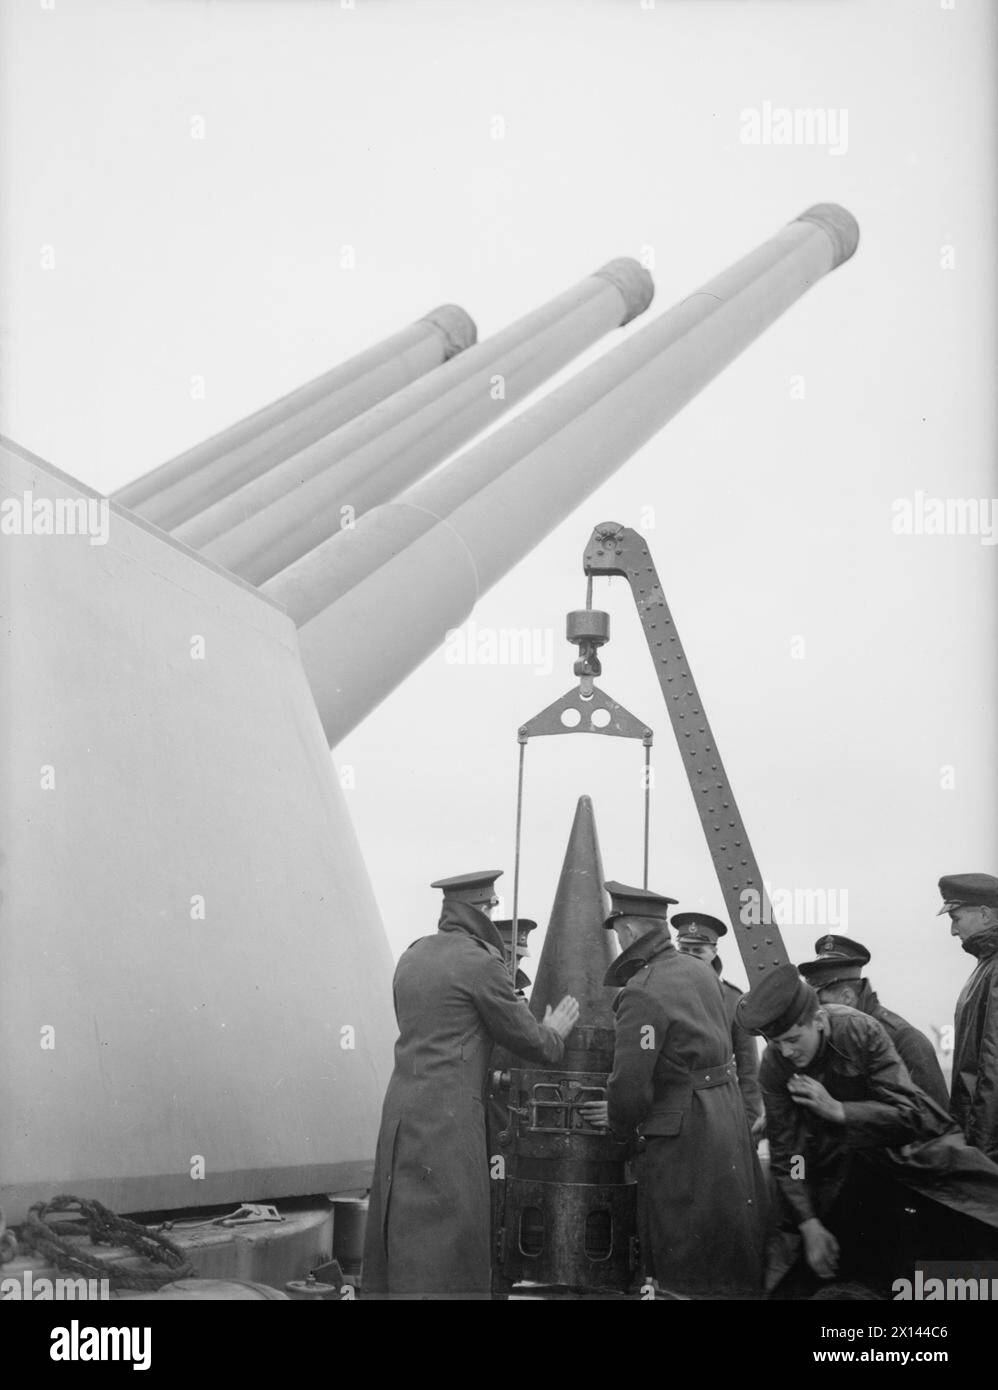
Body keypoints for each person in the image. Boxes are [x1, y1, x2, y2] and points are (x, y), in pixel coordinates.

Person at [362, 871, 579, 1299]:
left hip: (402, 1114)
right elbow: (530, 1041)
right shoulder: (481, 963)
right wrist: (554, 1030)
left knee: (403, 1228)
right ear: (484, 910)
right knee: (451, 1234)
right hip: (451, 1119)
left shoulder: (412, 956)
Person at [737, 964, 998, 1297]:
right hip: (834, 1171)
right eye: (776, 1043)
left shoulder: (860, 1030)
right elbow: (789, 1158)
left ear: (818, 1020)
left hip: (903, 1158)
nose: (787, 1052)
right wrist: (809, 1224)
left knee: (954, 1251)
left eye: (792, 1039)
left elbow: (910, 1114)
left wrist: (840, 1110)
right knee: (795, 1278)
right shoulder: (775, 1062)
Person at [581, 882, 766, 1298]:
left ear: (626, 931)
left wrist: (617, 1123)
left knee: (680, 1258)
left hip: (680, 1142)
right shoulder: (702, 972)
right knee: (726, 1251)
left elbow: (629, 1090)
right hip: (725, 1123)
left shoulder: (642, 992)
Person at [797, 933, 948, 1109]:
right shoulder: (827, 1037)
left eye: (821, 1003)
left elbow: (932, 1122)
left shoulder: (906, 1041)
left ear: (847, 997)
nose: (816, 1013)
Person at [673, 911, 765, 1134]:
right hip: (670, 1108)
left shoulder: (734, 1001)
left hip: (718, 1111)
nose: (690, 956)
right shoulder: (665, 991)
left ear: (713, 951)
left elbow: (749, 1070)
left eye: (698, 951)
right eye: (684, 950)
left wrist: (747, 1123)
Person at [938, 873, 998, 1162]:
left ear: (985, 914)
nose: (952, 930)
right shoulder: (986, 967)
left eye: (956, 918)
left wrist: (981, 1156)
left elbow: (993, 1062)